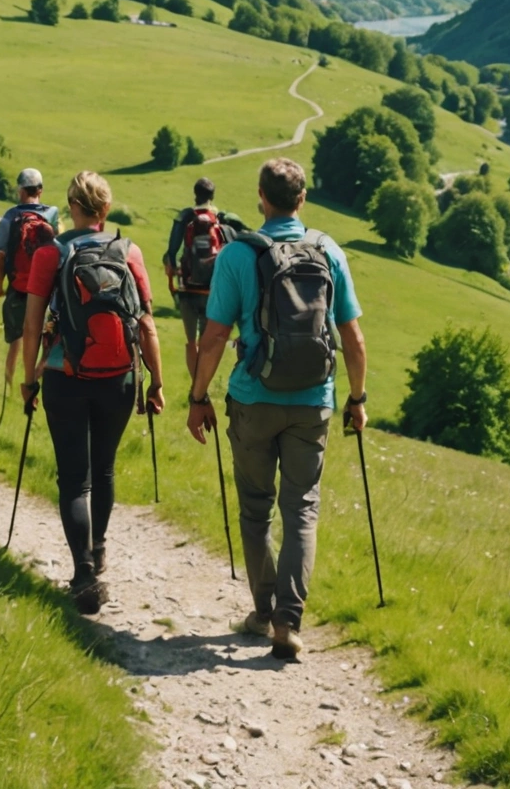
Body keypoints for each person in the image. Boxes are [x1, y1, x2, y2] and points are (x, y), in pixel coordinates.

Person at [183, 157, 367, 662]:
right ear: (302, 200)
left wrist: (198, 399)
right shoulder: (329, 250)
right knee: (301, 509)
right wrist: (356, 398)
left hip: (253, 397)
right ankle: (289, 620)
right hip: (314, 401)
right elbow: (351, 335)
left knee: (256, 508)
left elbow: (216, 335)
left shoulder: (238, 255)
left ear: (261, 198)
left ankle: (263, 612)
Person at [19, 171, 164, 614]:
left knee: (73, 477)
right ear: (106, 209)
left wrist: (29, 380)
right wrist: (156, 382)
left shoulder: (51, 253)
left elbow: (31, 325)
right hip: (119, 377)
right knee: (103, 470)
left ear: (72, 207)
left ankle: (83, 572)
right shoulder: (129, 251)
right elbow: (146, 322)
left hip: (66, 374)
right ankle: (98, 549)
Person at [162, 177, 246, 388]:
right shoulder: (222, 219)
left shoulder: (186, 217)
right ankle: (203, 388)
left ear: (195, 194)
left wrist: (173, 275)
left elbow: (170, 256)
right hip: (212, 293)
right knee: (207, 343)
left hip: (188, 289)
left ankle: (195, 388)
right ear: (212, 196)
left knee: (191, 343)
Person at [0, 168, 59, 389]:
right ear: (40, 190)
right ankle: (37, 377)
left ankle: (9, 383)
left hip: (18, 290)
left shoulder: (12, 216)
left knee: (16, 341)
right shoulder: (51, 216)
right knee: (43, 337)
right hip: (46, 291)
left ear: (20, 190)